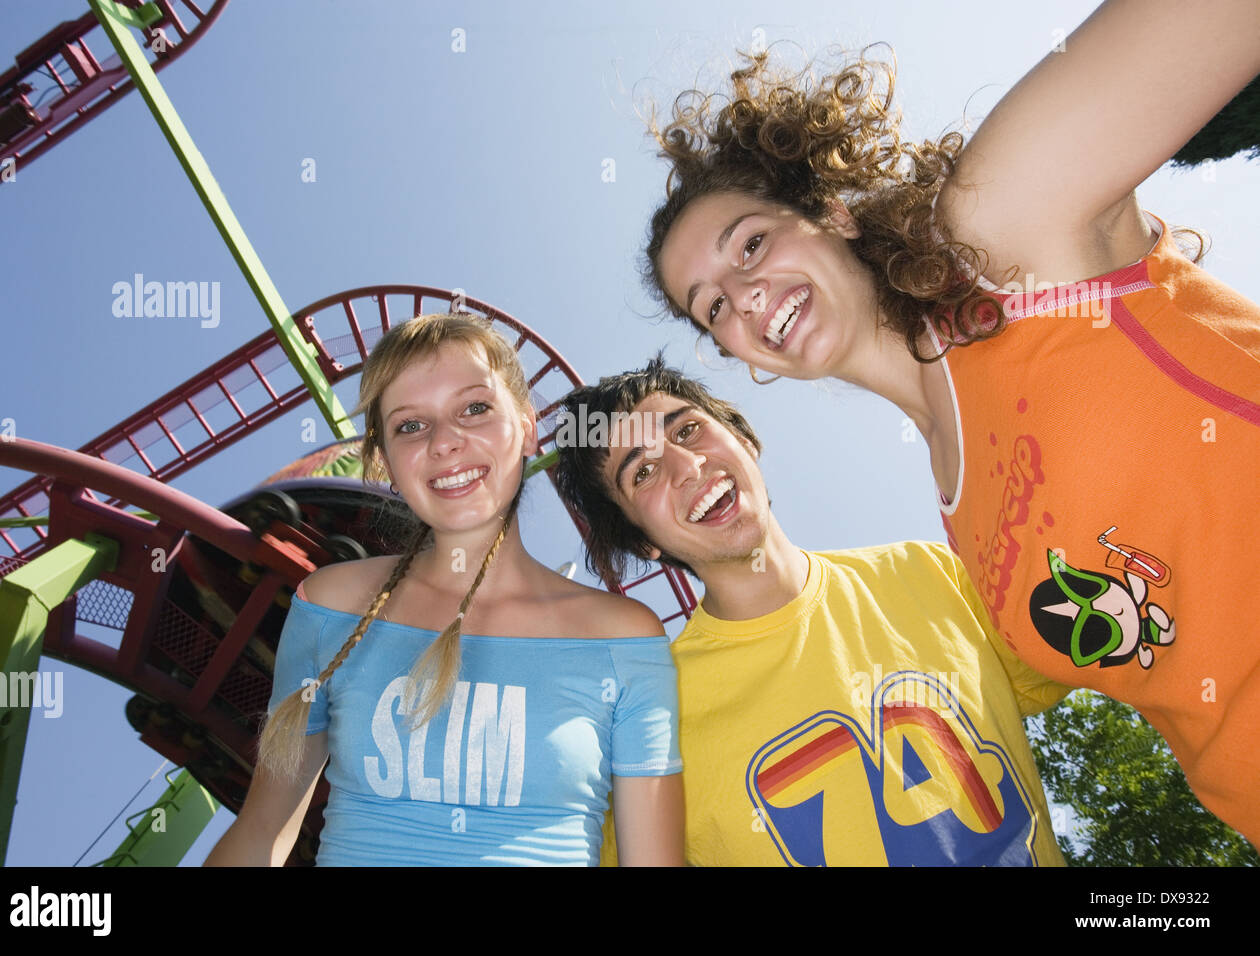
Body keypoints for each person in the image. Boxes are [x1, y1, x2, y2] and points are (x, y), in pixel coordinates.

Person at [641, 0, 1260, 842]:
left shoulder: (1004, 246)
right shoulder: (959, 525)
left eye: (749, 245)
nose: (742, 296)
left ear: (832, 213)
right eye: (711, 306)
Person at [205, 314, 683, 866]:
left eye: (475, 409)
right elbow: (264, 829)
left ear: (527, 428)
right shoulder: (330, 606)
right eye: (411, 425)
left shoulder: (624, 638)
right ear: (384, 460)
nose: (446, 442)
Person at [553, 357, 1068, 866]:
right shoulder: (647, 725)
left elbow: (1111, 641)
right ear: (643, 543)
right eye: (643, 473)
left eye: (687, 430)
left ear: (744, 439)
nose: (687, 467)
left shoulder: (932, 575)